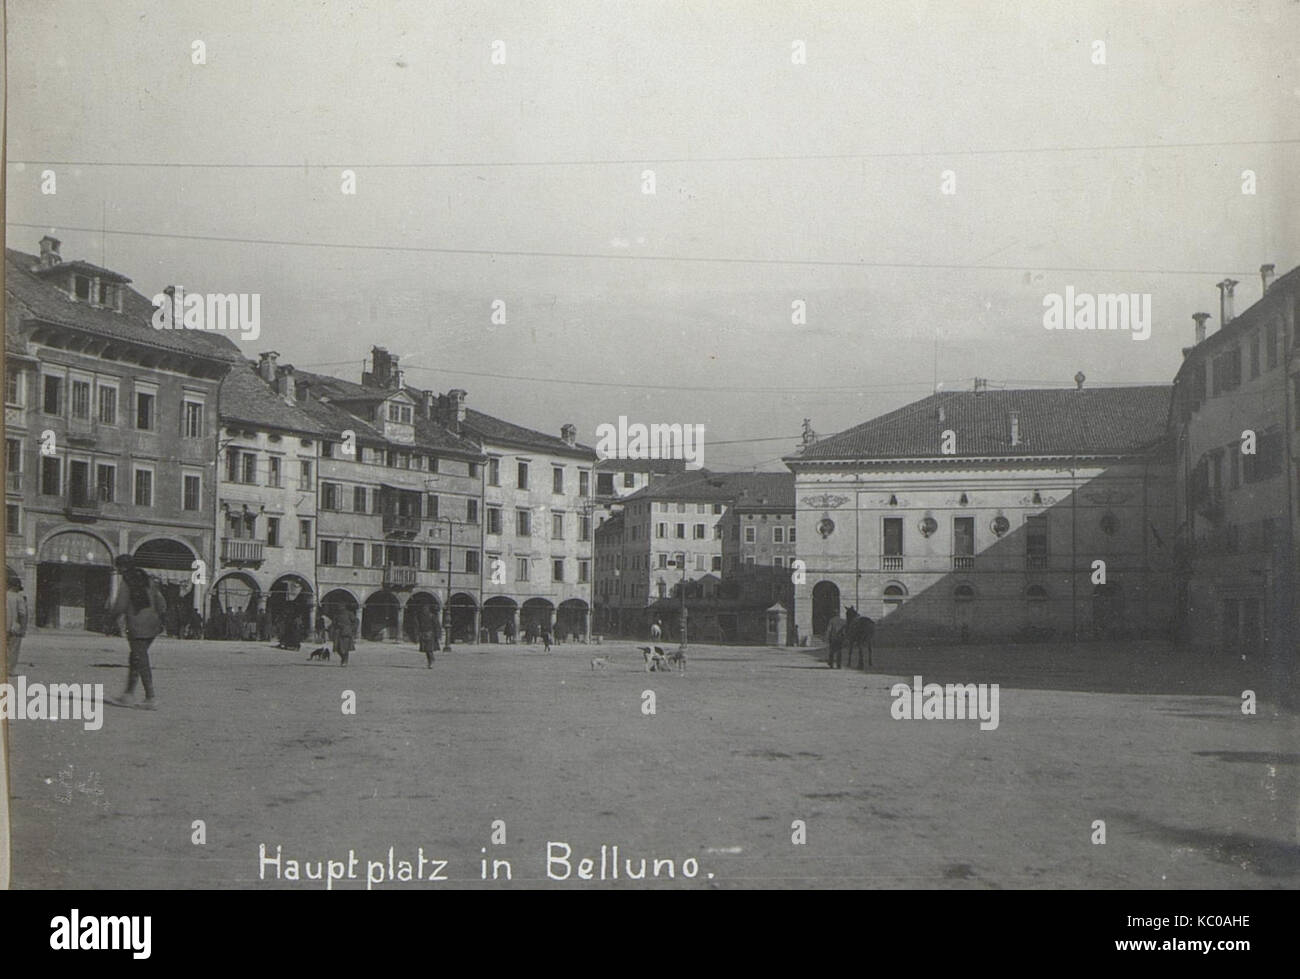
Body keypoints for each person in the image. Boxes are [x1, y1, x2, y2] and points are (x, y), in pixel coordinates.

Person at [106, 555, 167, 709]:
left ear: (122, 567)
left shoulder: (127, 581)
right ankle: (128, 694)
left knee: (141, 659)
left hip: (137, 626)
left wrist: (110, 620)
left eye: (118, 567)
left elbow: (120, 605)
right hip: (152, 624)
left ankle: (150, 697)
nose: (118, 570)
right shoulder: (148, 579)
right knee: (136, 657)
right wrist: (158, 617)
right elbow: (161, 602)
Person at [6, 574, 29, 676]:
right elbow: (22, 614)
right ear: (16, 587)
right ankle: (10, 670)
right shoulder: (18, 598)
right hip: (14, 628)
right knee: (13, 650)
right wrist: (23, 629)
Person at [416, 603, 437, 667]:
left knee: (429, 649)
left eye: (425, 609)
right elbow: (418, 625)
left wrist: (436, 634)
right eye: (424, 609)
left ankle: (431, 661)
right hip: (423, 633)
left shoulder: (432, 616)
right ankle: (430, 661)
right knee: (426, 649)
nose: (424, 610)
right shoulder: (421, 616)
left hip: (430, 633)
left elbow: (436, 625)